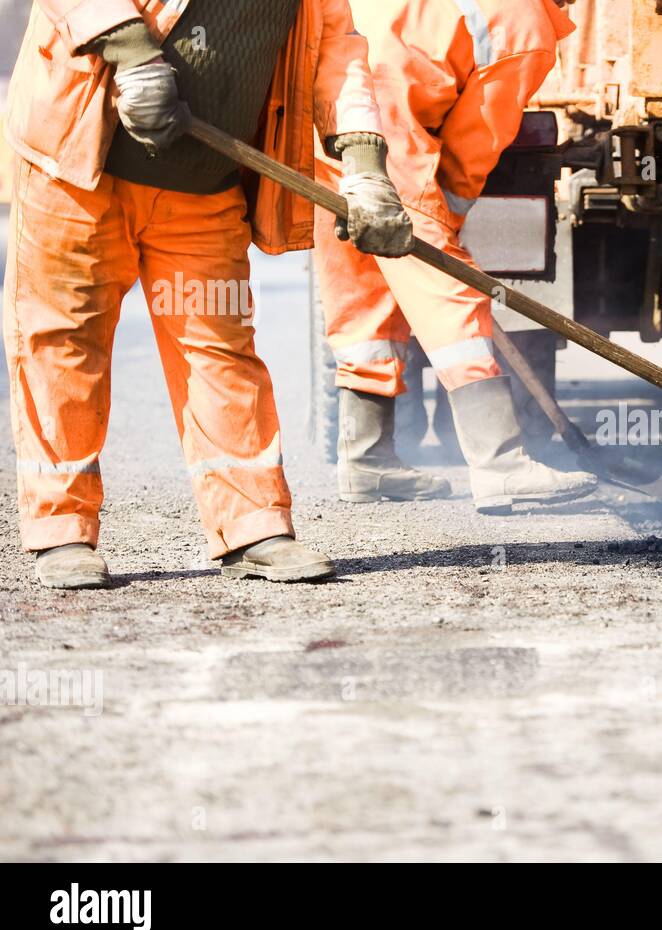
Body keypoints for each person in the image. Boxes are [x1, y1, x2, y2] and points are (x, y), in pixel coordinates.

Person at [4, 0, 414, 588]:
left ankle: (255, 525)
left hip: (202, 183)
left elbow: (336, 52)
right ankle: (61, 530)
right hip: (77, 169)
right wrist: (132, 52)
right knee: (64, 341)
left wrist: (364, 162)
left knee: (219, 347)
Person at [314, 0, 597, 514]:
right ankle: (502, 465)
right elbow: (474, 145)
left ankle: (367, 459)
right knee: (452, 301)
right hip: (389, 141)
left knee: (364, 296)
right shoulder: (526, 25)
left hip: (333, 122)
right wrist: (444, 221)